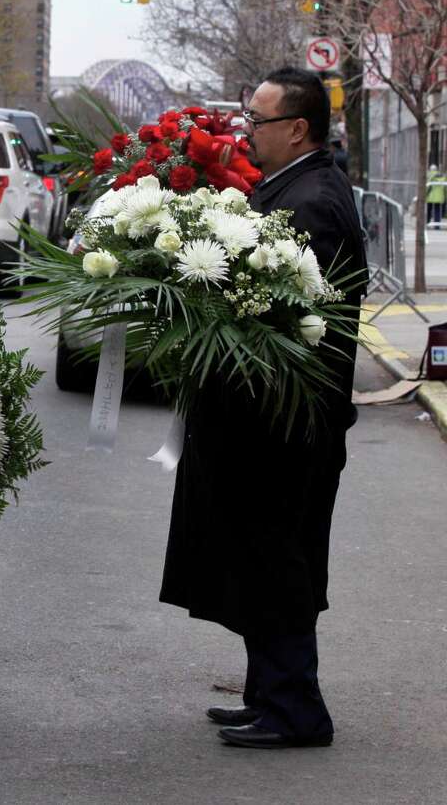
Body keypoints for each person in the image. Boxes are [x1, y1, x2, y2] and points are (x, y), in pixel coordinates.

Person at [160, 67, 366, 749]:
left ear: (297, 128)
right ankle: (267, 696)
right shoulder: (292, 187)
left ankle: (295, 711)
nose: (249, 129)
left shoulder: (311, 201)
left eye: (259, 119)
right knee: (259, 559)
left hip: (284, 425)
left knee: (278, 563)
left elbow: (300, 323)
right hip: (266, 421)